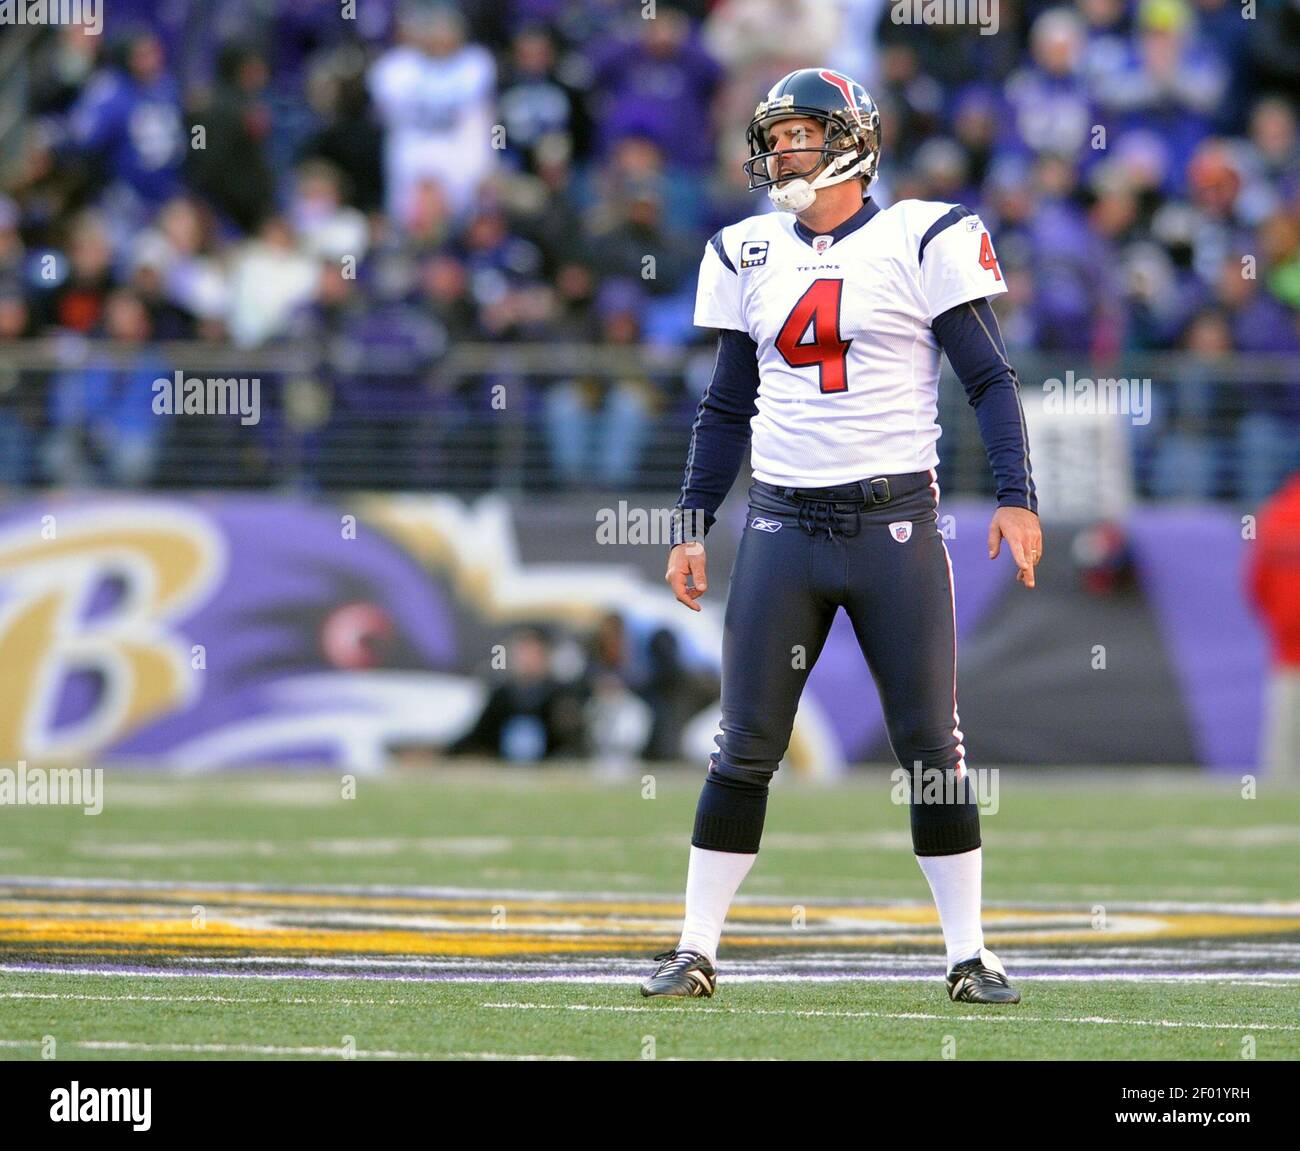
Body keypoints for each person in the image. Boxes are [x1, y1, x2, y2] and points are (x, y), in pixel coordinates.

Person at [644, 69, 1043, 1005]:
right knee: (743, 743)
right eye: (774, 136)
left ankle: (968, 952)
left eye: (798, 134)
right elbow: (725, 403)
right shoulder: (745, 250)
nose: (781, 150)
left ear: (852, 140)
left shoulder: (920, 235)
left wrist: (1018, 495)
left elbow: (989, 377)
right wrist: (692, 521)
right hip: (781, 521)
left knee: (931, 747)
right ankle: (695, 947)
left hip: (892, 521)